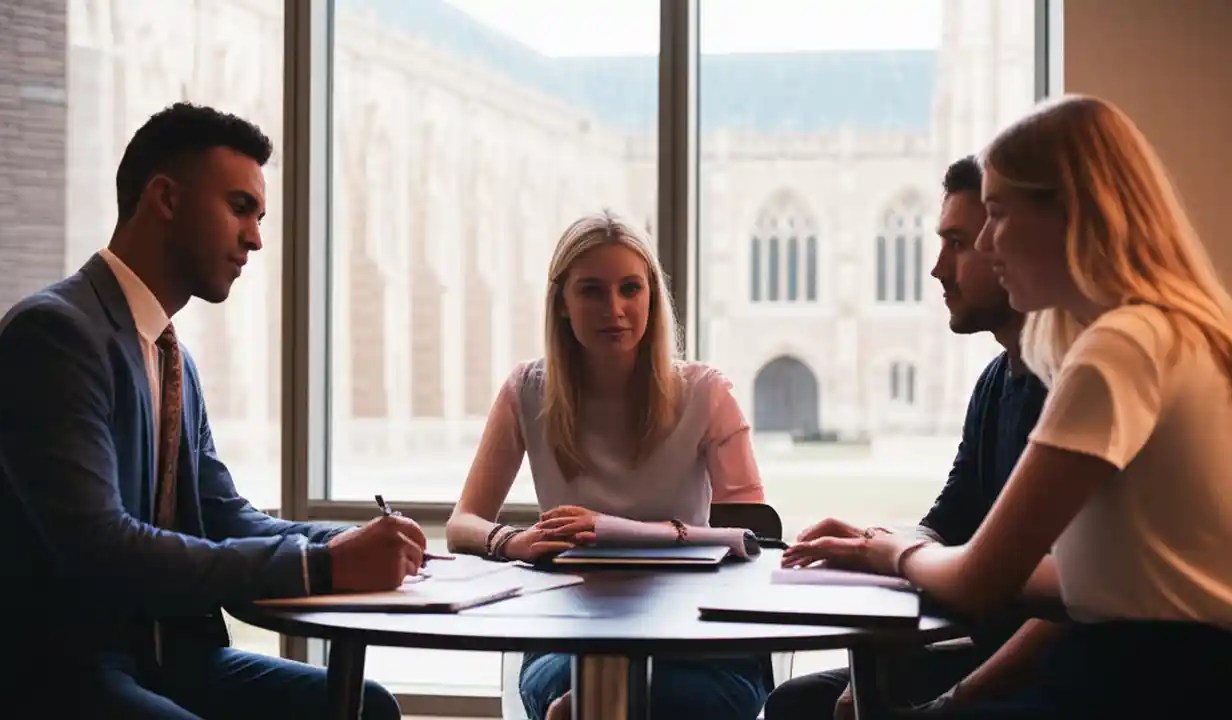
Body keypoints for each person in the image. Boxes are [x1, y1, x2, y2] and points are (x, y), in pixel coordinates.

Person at [0, 103, 423, 719]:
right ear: (165, 199)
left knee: (364, 708)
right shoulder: (53, 337)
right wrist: (322, 564)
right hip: (46, 674)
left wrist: (359, 544)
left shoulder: (170, 356)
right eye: (239, 208)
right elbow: (104, 548)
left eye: (258, 215)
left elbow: (223, 515)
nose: (255, 236)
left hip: (161, 659)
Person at [792, 95, 1232, 718]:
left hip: (1138, 683)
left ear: (1069, 213)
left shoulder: (1119, 347)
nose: (990, 246)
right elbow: (1094, 577)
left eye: (997, 214)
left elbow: (982, 579)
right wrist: (883, 545)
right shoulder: (1178, 332)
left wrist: (893, 554)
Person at [446, 210, 770, 720]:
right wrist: (514, 542)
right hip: (570, 628)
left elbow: (752, 539)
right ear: (562, 305)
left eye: (630, 289)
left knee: (618, 703)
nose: (613, 309)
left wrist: (609, 528)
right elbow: (462, 524)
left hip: (700, 633)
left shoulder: (707, 392)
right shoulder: (527, 391)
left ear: (651, 297)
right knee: (582, 696)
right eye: (591, 291)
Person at [766, 157, 1058, 720]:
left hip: (1075, 674)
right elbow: (949, 521)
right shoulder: (998, 383)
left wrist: (947, 702)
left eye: (957, 243)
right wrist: (869, 544)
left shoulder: (1076, 385)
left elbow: (1072, 607)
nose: (937, 269)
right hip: (1003, 652)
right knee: (797, 703)